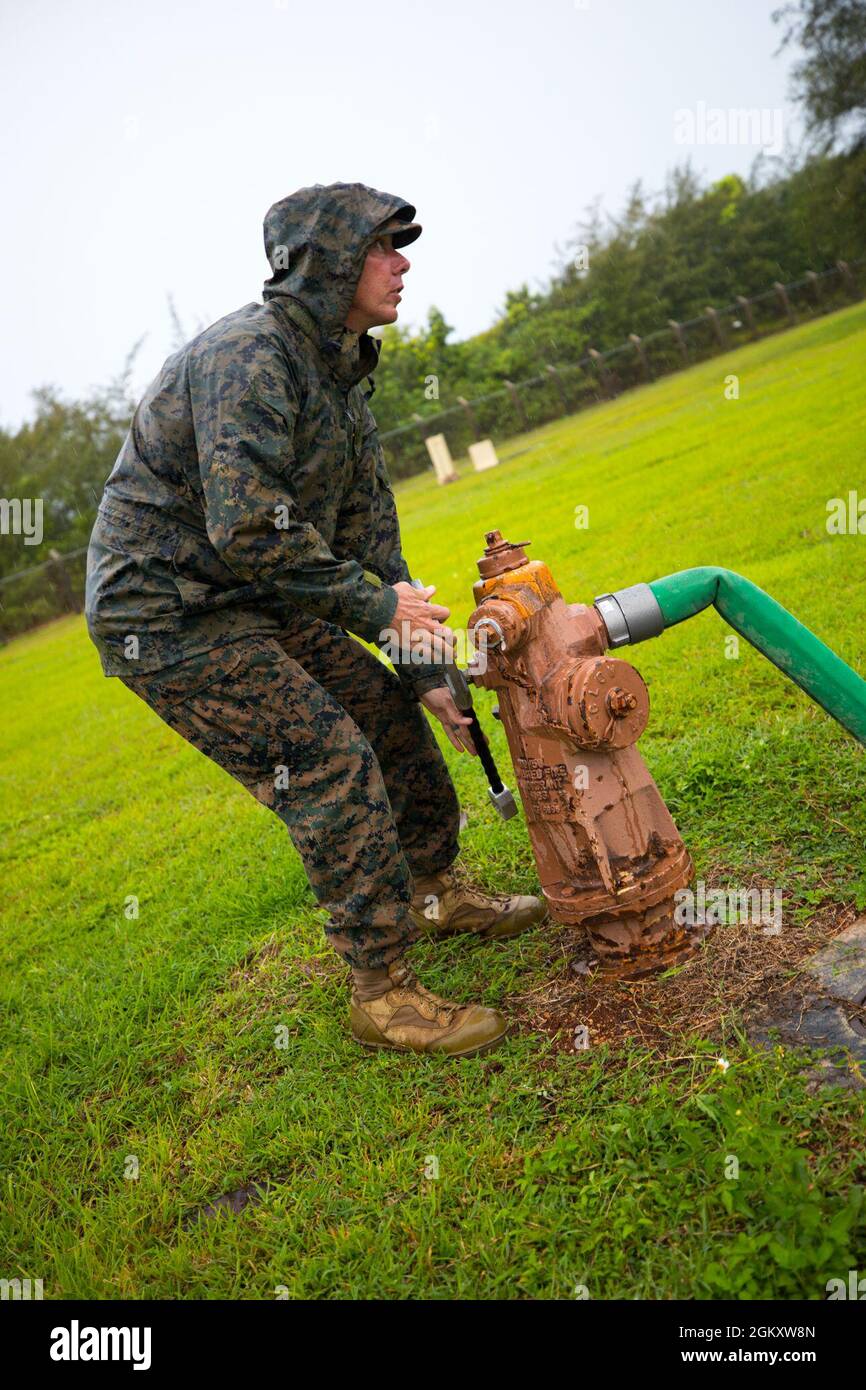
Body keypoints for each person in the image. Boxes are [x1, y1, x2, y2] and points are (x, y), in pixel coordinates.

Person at [85, 181, 545, 1058]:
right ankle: (383, 992)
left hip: (255, 595)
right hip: (168, 615)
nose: (402, 264)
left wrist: (421, 664)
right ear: (326, 264)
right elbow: (251, 522)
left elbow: (370, 531)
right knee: (325, 759)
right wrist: (378, 610)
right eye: (382, 248)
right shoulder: (248, 358)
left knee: (384, 716)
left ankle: (436, 889)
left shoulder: (343, 371)